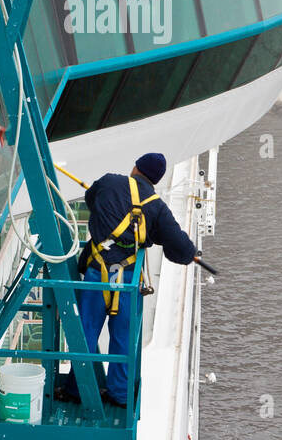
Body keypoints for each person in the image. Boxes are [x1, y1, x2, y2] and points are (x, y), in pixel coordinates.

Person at [59, 153, 199, 407]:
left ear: (136, 167)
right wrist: (190, 252)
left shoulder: (109, 182)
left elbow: (92, 201)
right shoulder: (157, 207)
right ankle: (120, 395)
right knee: (123, 339)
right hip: (127, 279)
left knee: (86, 333)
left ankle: (78, 390)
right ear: (156, 180)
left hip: (97, 274)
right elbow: (180, 247)